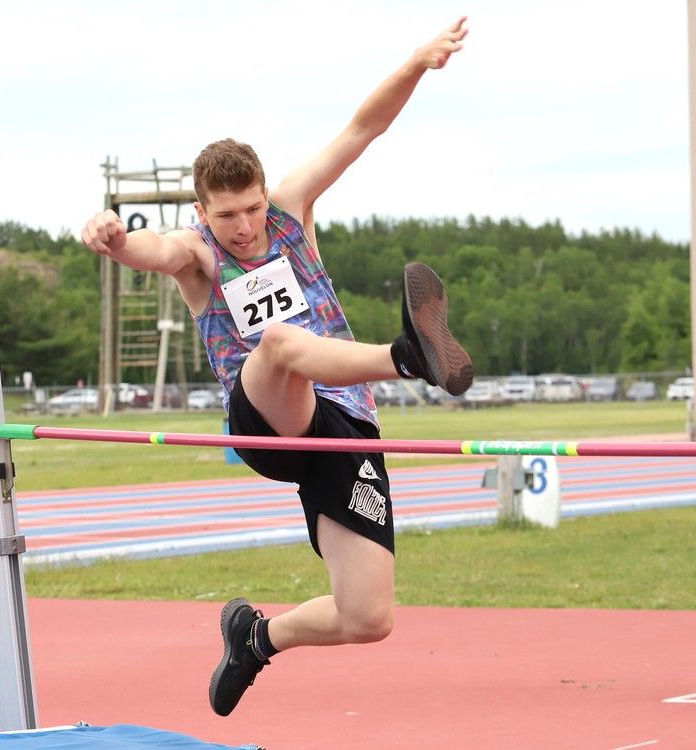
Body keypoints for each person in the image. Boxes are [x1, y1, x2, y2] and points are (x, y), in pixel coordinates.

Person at [82, 18, 473, 717]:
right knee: (280, 344)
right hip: (265, 417)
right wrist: (113, 240)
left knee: (367, 616)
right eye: (227, 215)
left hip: (344, 424)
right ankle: (407, 356)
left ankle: (256, 639)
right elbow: (153, 252)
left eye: (252, 209)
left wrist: (417, 63)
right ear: (202, 211)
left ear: (267, 194)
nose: (243, 227)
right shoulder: (198, 253)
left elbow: (363, 129)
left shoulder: (292, 213)